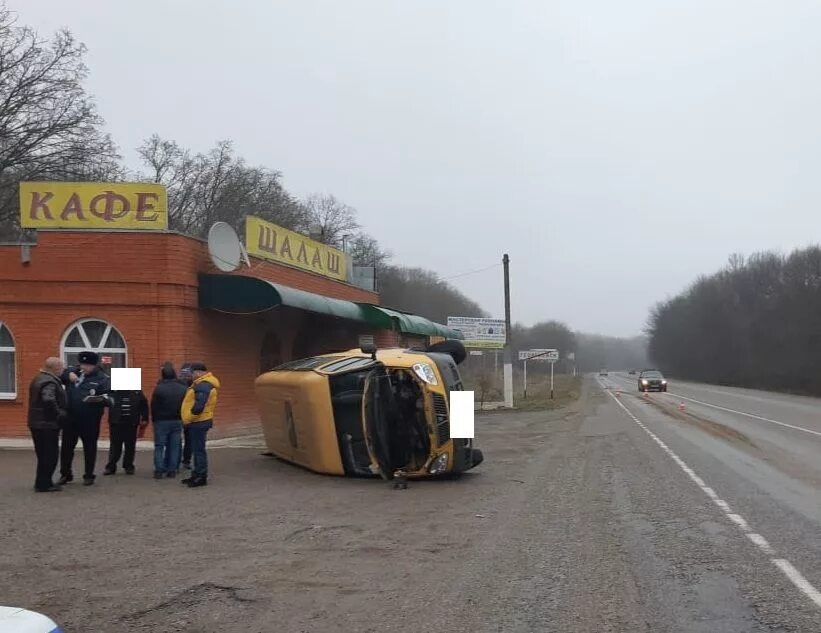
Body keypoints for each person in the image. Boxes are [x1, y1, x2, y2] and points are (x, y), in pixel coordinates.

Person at [58, 351, 111, 486]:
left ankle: (89, 475)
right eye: (82, 364)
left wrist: (99, 400)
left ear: (94, 365)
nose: (84, 367)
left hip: (90, 419)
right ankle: (65, 473)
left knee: (89, 448)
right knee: (66, 448)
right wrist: (67, 374)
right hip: (70, 418)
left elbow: (110, 399)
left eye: (88, 365)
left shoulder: (102, 378)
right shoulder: (73, 371)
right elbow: (59, 375)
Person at [27, 357, 68, 492]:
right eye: (61, 368)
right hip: (46, 424)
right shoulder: (49, 381)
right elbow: (48, 399)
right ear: (55, 369)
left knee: (42, 454)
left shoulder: (38, 378)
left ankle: (42, 481)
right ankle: (44, 484)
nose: (63, 370)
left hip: (37, 422)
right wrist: (59, 414)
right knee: (50, 455)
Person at [180, 362, 220, 488]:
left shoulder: (203, 385)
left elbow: (198, 407)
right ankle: (196, 473)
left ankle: (201, 476)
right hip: (200, 421)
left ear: (198, 372)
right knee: (197, 450)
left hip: (198, 422)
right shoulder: (202, 384)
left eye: (191, 373)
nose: (190, 376)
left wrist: (190, 418)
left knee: (198, 451)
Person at [150, 362, 187, 479]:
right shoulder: (183, 388)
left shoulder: (159, 388)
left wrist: (154, 421)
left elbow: (154, 406)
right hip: (177, 420)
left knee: (159, 446)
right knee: (175, 446)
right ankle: (172, 470)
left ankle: (159, 470)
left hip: (161, 421)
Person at [103, 388, 149, 475]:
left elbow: (143, 404)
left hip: (131, 422)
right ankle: (111, 466)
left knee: (130, 445)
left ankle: (128, 466)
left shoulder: (137, 391)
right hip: (116, 422)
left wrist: (144, 418)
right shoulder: (113, 391)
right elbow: (106, 402)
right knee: (115, 445)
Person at [178, 363, 194, 470]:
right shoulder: (194, 386)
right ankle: (186, 461)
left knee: (177, 439)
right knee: (189, 440)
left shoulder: (177, 385)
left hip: (178, 416)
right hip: (189, 416)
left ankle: (177, 459)